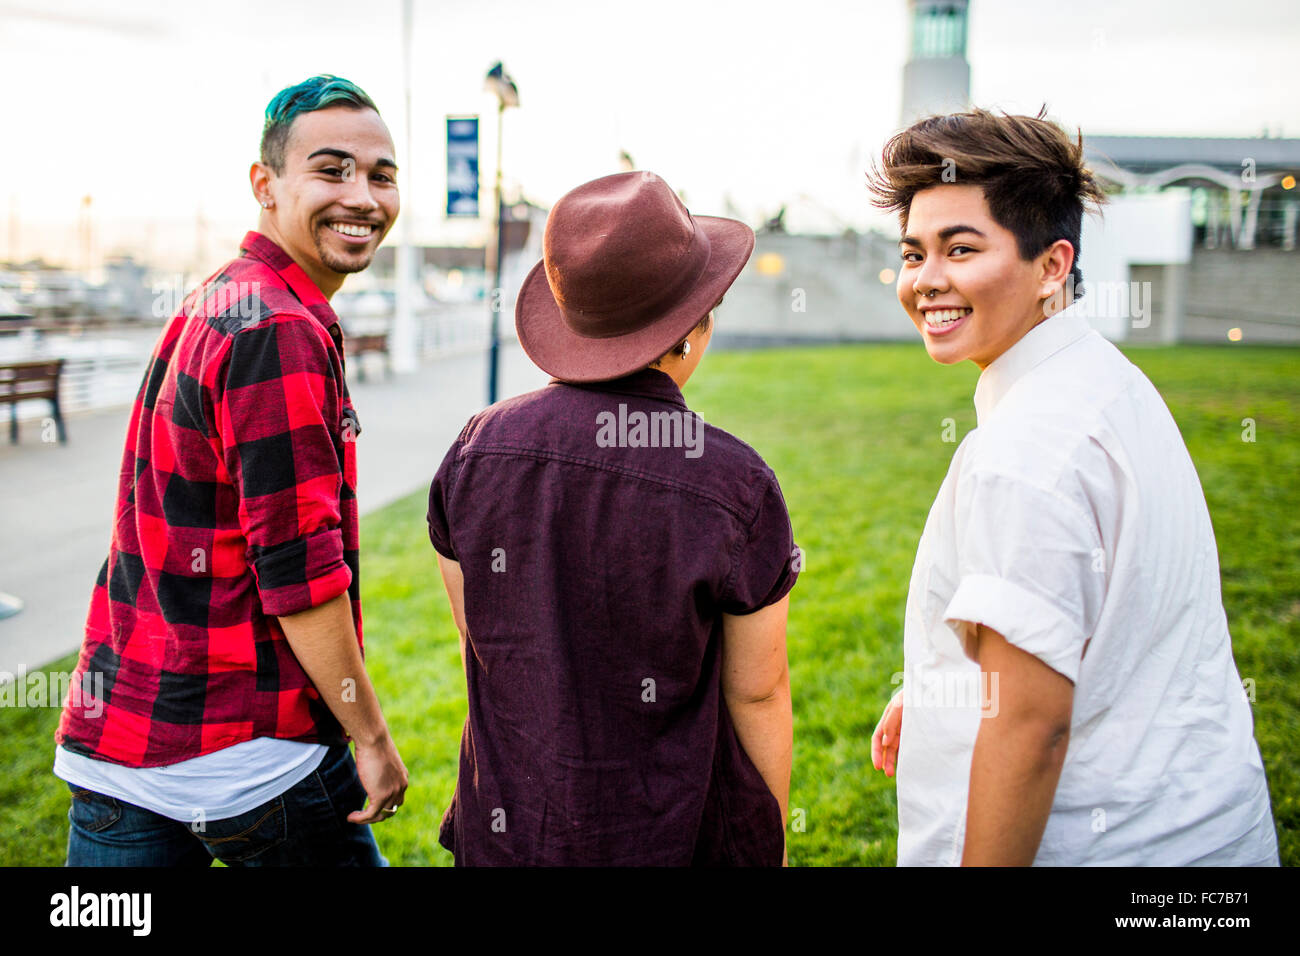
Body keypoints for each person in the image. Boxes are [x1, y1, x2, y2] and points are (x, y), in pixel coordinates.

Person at [866, 106, 1280, 866]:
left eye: (961, 249)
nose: (927, 281)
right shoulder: (1104, 379)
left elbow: (1031, 730)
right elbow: (1098, 620)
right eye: (914, 253)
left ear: (1052, 266)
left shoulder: (1027, 449)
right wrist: (940, 692)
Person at [54, 75, 408, 866]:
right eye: (332, 168)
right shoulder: (278, 327)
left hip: (116, 742)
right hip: (248, 755)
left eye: (382, 175)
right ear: (265, 184)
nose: (364, 196)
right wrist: (372, 738)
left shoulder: (221, 296)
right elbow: (299, 571)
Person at [426, 171, 799, 865]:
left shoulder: (476, 450)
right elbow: (758, 692)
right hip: (673, 838)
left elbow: (485, 638)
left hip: (510, 827)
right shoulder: (736, 484)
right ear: (688, 334)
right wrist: (764, 844)